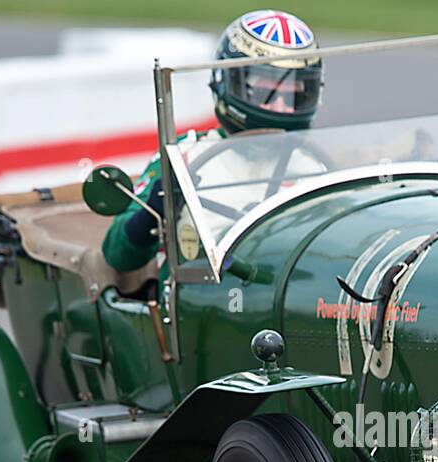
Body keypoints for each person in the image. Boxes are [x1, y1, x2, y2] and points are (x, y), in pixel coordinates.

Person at [102, 9, 324, 275]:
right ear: (227, 83)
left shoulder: (315, 168)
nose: (280, 108)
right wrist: (158, 208)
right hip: (199, 303)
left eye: (293, 97)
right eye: (266, 93)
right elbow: (117, 256)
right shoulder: (185, 157)